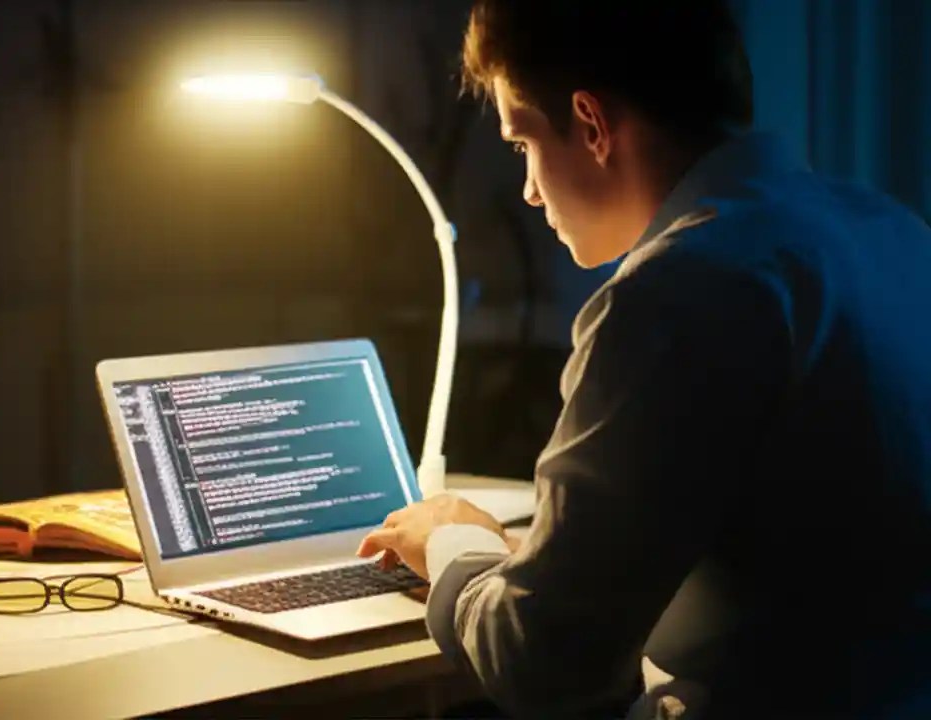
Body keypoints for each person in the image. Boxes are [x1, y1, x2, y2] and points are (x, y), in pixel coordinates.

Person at [357, 1, 931, 718]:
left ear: (592, 125)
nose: (530, 190)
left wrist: (455, 548)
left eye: (521, 144)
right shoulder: (890, 233)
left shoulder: (678, 293)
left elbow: (543, 660)